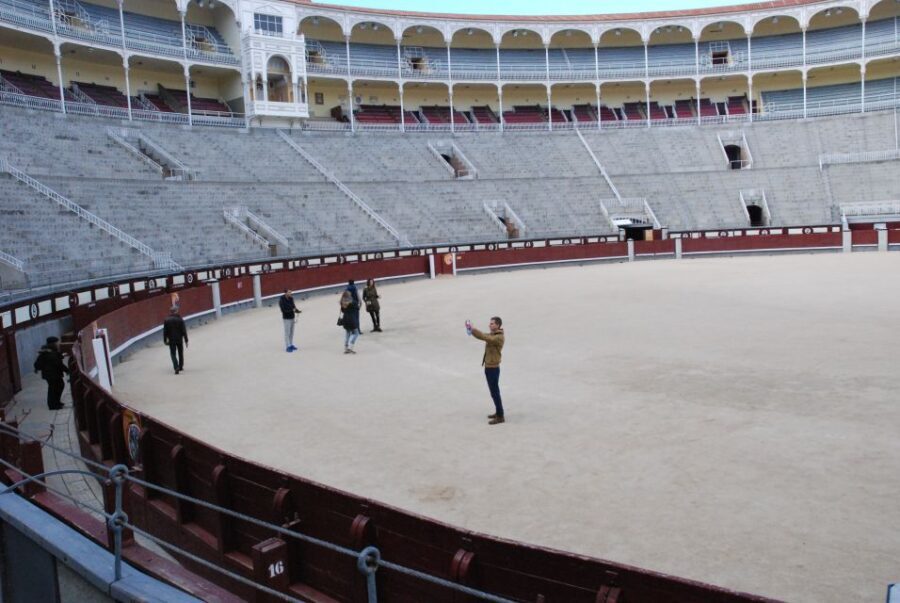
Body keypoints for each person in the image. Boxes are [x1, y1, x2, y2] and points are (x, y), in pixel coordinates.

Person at [468, 317, 506, 425]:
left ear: (498, 325)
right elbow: (482, 336)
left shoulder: (499, 337)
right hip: (489, 367)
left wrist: (473, 329)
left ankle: (500, 416)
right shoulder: (493, 334)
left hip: (493, 368)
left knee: (495, 392)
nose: (490, 325)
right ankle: (498, 412)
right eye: (490, 323)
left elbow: (485, 337)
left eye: (492, 324)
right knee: (493, 392)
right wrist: (472, 331)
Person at [34, 336, 68, 410]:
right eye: (57, 343)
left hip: (50, 374)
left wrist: (61, 356)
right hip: (52, 374)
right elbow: (58, 364)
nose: (58, 344)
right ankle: (53, 405)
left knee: (57, 387)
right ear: (53, 343)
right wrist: (67, 370)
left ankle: (56, 402)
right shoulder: (50, 352)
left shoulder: (47, 351)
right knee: (54, 388)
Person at [162, 307, 188, 374]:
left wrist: (165, 340)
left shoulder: (166, 320)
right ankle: (180, 366)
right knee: (180, 352)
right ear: (176, 311)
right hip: (179, 339)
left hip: (171, 340)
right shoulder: (180, 319)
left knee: (173, 353)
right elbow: (184, 331)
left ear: (171, 312)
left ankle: (176, 367)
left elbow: (165, 331)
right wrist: (186, 340)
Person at [339, 290, 360, 354]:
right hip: (351, 319)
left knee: (347, 334)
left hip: (345, 319)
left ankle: (346, 348)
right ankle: (351, 347)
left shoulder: (342, 302)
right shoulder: (352, 303)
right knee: (356, 333)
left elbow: (342, 311)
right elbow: (357, 307)